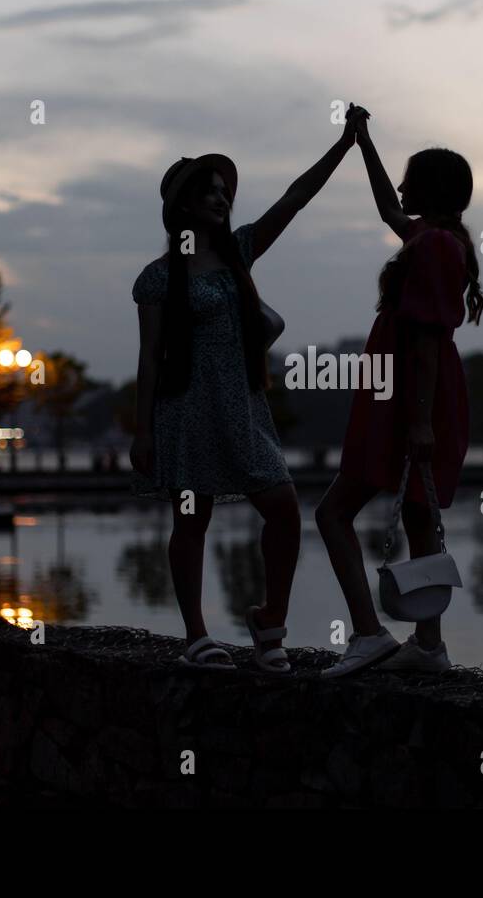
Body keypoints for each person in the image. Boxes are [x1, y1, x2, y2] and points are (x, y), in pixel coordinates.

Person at [130, 117, 360, 672]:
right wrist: (142, 432)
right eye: (206, 191)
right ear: (181, 206)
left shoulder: (240, 252)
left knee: (283, 510)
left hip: (244, 408)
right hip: (186, 409)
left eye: (223, 191)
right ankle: (196, 636)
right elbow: (149, 357)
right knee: (191, 520)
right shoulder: (157, 278)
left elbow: (295, 198)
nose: (219, 197)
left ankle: (269, 621)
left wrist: (345, 143)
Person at [316, 109, 483, 677]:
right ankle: (429, 646)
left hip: (412, 399)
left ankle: (368, 633)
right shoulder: (430, 236)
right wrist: (362, 142)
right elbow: (387, 204)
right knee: (418, 521)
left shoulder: (435, 246)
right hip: (411, 396)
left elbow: (425, 341)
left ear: (431, 190)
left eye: (411, 178)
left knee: (334, 511)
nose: (402, 186)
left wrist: (418, 422)